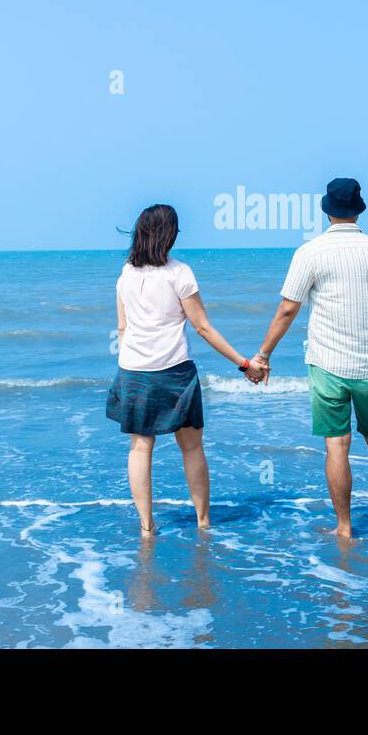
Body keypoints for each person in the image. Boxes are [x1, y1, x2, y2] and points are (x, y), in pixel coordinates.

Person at [251, 178, 368, 538]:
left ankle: (344, 528)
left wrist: (263, 354)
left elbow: (288, 309)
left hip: (327, 365)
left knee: (337, 445)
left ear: (327, 210)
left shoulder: (310, 252)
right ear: (359, 209)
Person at [107, 204, 266, 536]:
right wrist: (244, 364)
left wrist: (135, 360)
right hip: (175, 372)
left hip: (133, 370)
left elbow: (122, 328)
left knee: (139, 447)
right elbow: (203, 328)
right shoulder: (180, 273)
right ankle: (203, 521)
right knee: (192, 447)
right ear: (170, 234)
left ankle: (147, 527)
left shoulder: (126, 274)